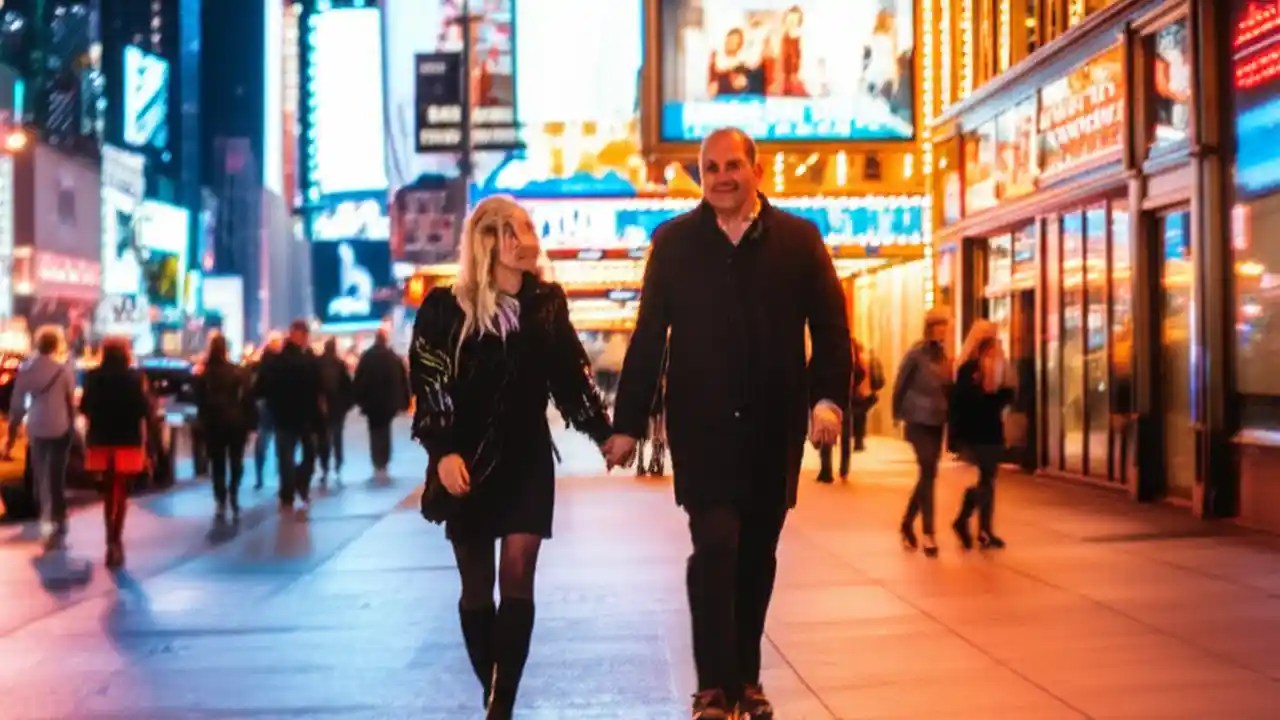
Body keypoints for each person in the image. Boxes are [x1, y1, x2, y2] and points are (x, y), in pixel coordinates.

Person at [605, 127, 851, 720]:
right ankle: (715, 687)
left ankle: (745, 677)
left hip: (773, 429)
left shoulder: (799, 240)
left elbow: (832, 329)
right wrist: (627, 423)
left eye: (732, 165)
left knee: (757, 557)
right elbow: (647, 340)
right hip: (704, 431)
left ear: (756, 169)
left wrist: (828, 403)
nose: (722, 177)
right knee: (715, 546)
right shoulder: (674, 243)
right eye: (711, 167)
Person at [411, 194, 613, 719]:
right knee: (476, 586)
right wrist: (443, 452)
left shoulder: (546, 304)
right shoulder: (442, 308)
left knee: (518, 572)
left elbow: (571, 375)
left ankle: (501, 707)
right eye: (515, 230)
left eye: (529, 228)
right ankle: (492, 689)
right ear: (488, 242)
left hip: (526, 457)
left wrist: (605, 434)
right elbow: (431, 383)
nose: (528, 239)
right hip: (467, 460)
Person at [81, 336, 152, 569]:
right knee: (121, 491)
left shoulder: (92, 376)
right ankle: (116, 539)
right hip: (127, 439)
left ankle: (109, 537)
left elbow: (84, 407)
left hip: (101, 438)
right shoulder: (135, 378)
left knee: (107, 492)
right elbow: (143, 410)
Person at [5, 326, 76, 550]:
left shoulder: (26, 370)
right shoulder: (62, 370)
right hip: (60, 427)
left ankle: (44, 517)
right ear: (56, 345)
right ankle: (59, 518)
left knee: (39, 473)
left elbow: (17, 405)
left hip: (36, 427)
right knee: (56, 475)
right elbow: (70, 403)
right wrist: (72, 427)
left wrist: (12, 434)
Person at [892, 307, 956, 558]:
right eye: (939, 325)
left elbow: (948, 388)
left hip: (937, 421)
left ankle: (907, 522)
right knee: (928, 469)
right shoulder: (916, 354)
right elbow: (900, 384)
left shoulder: (944, 356)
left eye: (945, 326)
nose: (943, 330)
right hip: (917, 420)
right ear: (930, 327)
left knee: (929, 473)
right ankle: (929, 532)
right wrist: (897, 414)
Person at [949, 323, 1014, 550]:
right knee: (986, 482)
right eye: (991, 343)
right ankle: (964, 519)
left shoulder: (1000, 369)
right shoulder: (969, 370)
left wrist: (1000, 394)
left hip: (992, 431)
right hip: (975, 432)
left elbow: (1008, 394)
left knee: (989, 480)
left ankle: (984, 529)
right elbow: (962, 403)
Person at [255, 320, 322, 515]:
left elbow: (262, 388)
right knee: (309, 455)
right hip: (305, 417)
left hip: (283, 416)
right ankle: (300, 483)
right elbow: (317, 390)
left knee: (285, 457)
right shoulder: (309, 362)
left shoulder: (276, 362)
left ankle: (287, 494)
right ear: (299, 336)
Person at [195, 334, 256, 523]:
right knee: (236, 461)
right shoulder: (237, 372)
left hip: (213, 422)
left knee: (217, 463)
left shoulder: (204, 374)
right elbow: (247, 398)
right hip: (235, 421)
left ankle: (220, 499)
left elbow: (199, 401)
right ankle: (234, 493)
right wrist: (251, 422)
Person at [353, 329, 410, 477]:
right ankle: (384, 458)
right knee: (385, 429)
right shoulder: (393, 358)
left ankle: (377, 459)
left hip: (371, 403)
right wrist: (405, 400)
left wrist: (358, 399)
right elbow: (403, 381)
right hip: (389, 402)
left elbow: (359, 380)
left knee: (374, 430)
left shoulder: (367, 358)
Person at [316, 337, 354, 483]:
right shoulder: (339, 364)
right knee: (337, 436)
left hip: (322, 407)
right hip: (337, 407)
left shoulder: (317, 364)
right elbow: (347, 386)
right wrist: (347, 404)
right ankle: (338, 463)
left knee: (323, 437)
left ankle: (324, 466)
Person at [250, 332, 283, 489]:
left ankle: (260, 475)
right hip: (276, 405)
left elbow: (255, 386)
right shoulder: (281, 362)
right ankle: (280, 475)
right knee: (279, 443)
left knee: (263, 442)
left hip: (265, 405)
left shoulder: (261, 362)